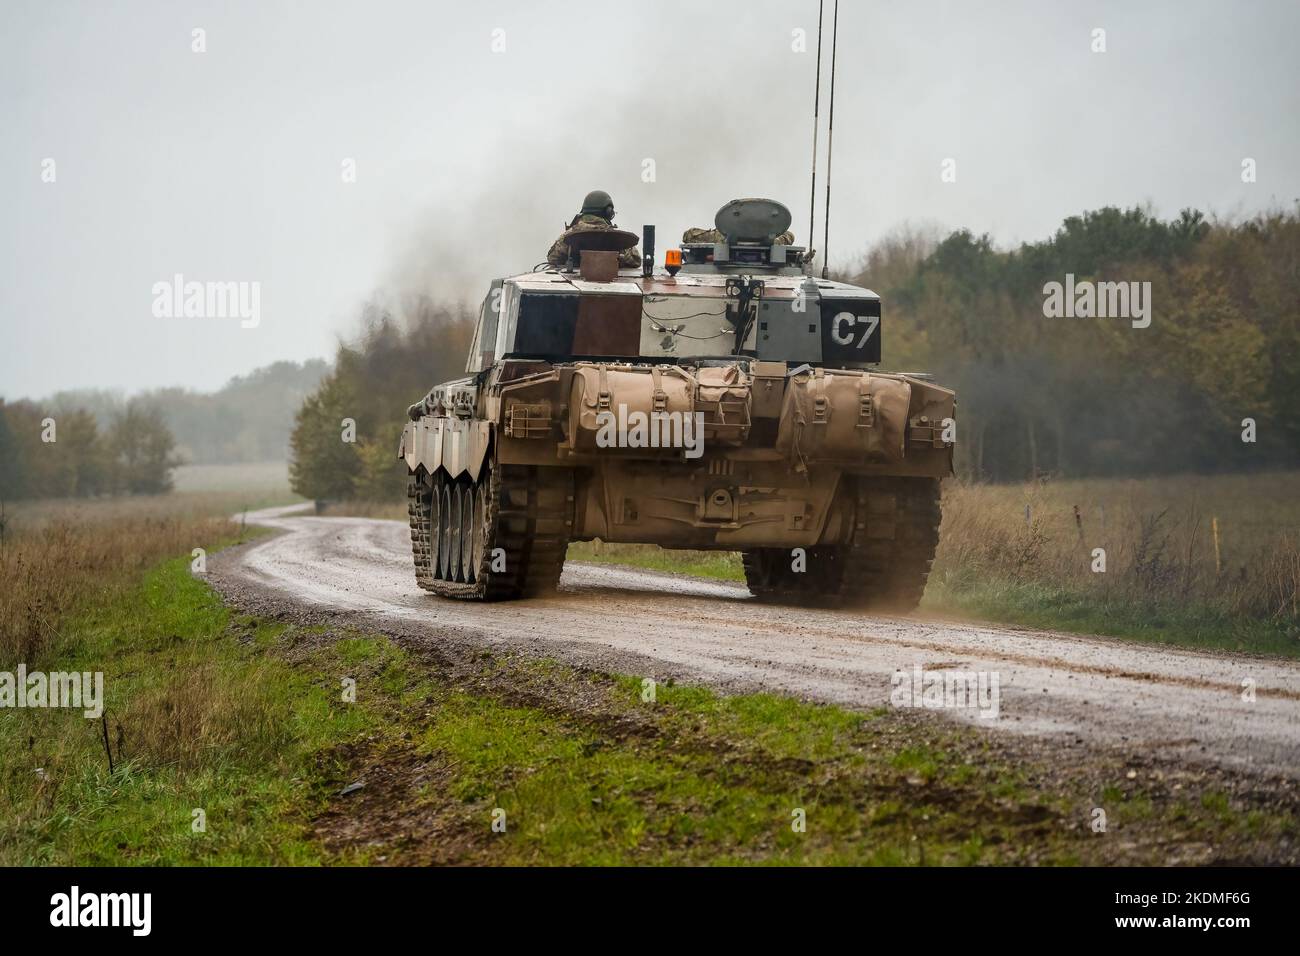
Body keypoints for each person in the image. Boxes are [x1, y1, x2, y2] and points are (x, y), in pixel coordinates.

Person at [546, 190, 641, 268]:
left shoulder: (570, 235)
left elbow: (553, 258)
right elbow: (636, 261)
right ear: (608, 212)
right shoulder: (615, 237)